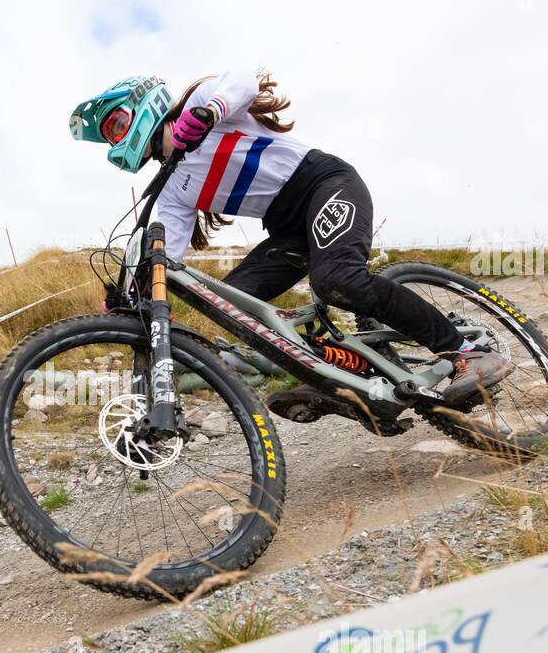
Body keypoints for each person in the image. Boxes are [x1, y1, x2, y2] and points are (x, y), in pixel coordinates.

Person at [69, 71, 512, 405]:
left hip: (324, 184)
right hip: (288, 227)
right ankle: (341, 381)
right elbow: (170, 251)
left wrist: (208, 113)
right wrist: (132, 292)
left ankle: (465, 348)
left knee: (338, 280)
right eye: (109, 136)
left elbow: (241, 81)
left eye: (115, 124)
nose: (116, 138)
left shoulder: (201, 105)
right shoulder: (171, 191)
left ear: (143, 103)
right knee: (232, 303)